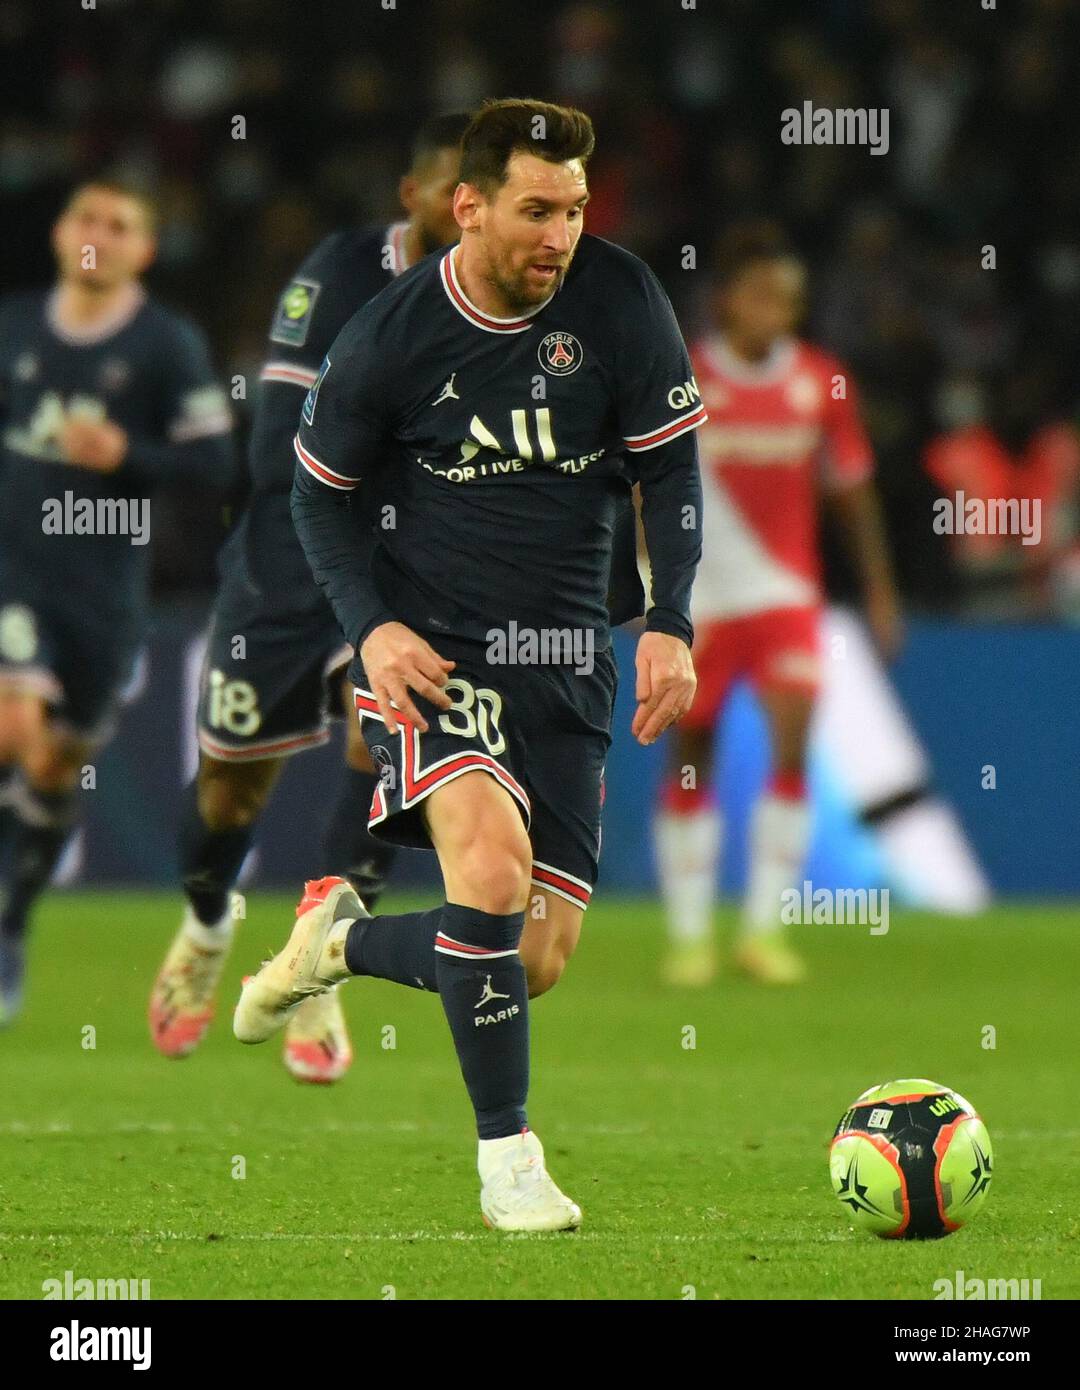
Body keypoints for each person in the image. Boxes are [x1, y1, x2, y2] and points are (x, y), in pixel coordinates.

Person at [234, 98, 705, 1230]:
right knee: (486, 878)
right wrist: (372, 630)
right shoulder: (393, 337)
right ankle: (508, 1162)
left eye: (577, 209)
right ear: (468, 206)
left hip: (569, 662)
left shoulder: (623, 298)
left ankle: (335, 942)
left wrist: (673, 619)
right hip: (434, 656)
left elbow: (674, 473)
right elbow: (318, 494)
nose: (561, 235)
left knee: (530, 958)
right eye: (536, 209)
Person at [148, 114, 471, 1083]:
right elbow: (278, 442)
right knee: (229, 787)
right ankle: (208, 921)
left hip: (405, 563)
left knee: (382, 742)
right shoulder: (339, 275)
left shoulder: (507, 297)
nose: (468, 212)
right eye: (453, 192)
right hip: (290, 554)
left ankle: (318, 961)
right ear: (414, 196)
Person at [0, 181, 235, 1024]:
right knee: (14, 722)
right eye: (85, 218)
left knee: (57, 761)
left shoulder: (165, 344)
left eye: (119, 225)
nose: (97, 234)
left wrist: (126, 454)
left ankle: (12, 921)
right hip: (11, 568)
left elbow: (213, 462)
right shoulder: (15, 328)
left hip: (102, 589)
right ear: (61, 233)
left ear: (145, 250)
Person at [653, 225, 902, 988]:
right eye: (763, 295)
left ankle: (763, 931)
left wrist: (880, 590)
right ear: (727, 298)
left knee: (792, 744)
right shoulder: (686, 376)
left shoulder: (821, 382)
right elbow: (644, 483)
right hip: (702, 600)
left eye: (790, 300)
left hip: (789, 593)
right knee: (693, 755)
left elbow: (853, 492)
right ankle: (690, 937)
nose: (777, 312)